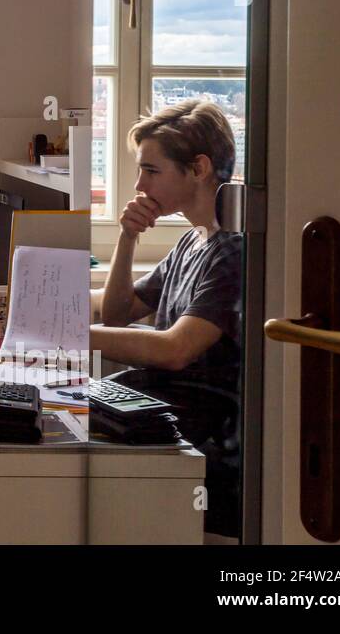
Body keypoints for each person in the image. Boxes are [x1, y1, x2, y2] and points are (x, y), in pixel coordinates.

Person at [90, 99, 243, 536]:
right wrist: (127, 237)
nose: (139, 184)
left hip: (203, 433)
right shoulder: (192, 241)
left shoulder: (233, 250)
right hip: (165, 413)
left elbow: (177, 349)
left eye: (151, 171)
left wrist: (76, 336)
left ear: (198, 168)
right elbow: (118, 313)